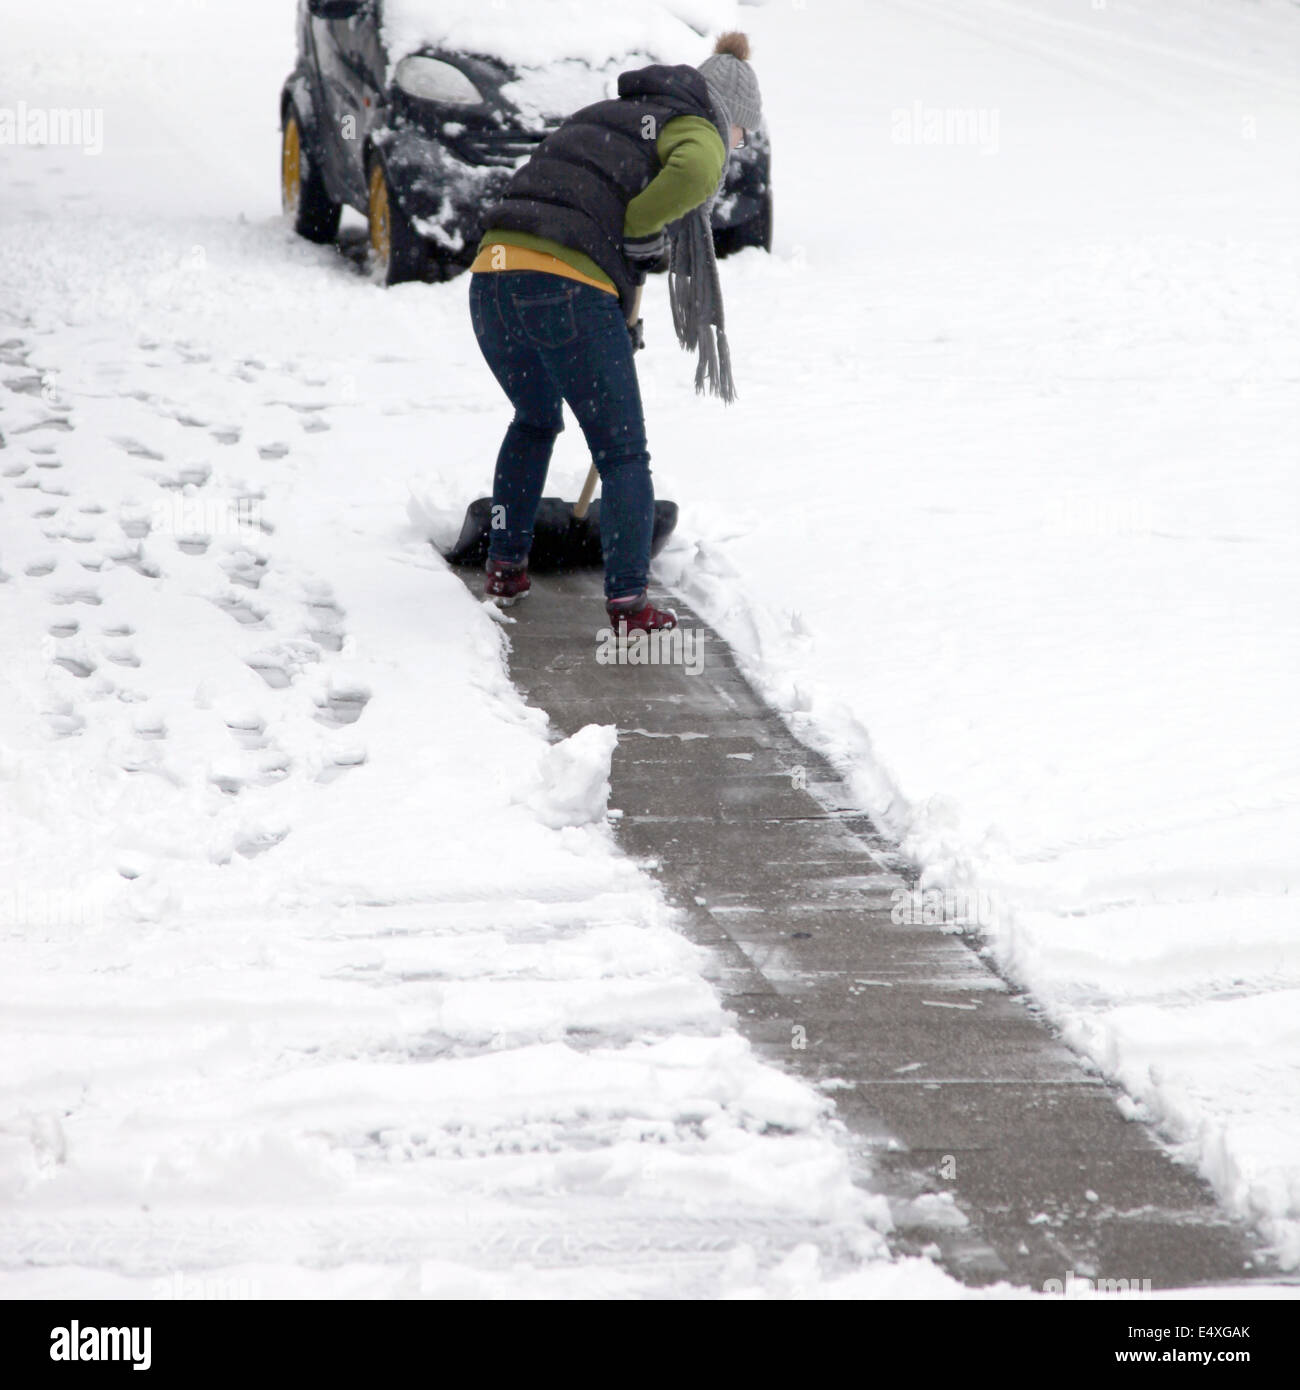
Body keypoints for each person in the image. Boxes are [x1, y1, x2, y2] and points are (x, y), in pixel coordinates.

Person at [467, 31, 762, 631]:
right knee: (624, 451)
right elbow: (696, 169)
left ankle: (505, 565)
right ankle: (629, 602)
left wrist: (611, 303)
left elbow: (573, 202)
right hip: (566, 287)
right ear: (727, 113)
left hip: (493, 275)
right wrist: (641, 227)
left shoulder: (612, 115)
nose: (741, 144)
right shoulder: (698, 126)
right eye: (743, 131)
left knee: (534, 419)